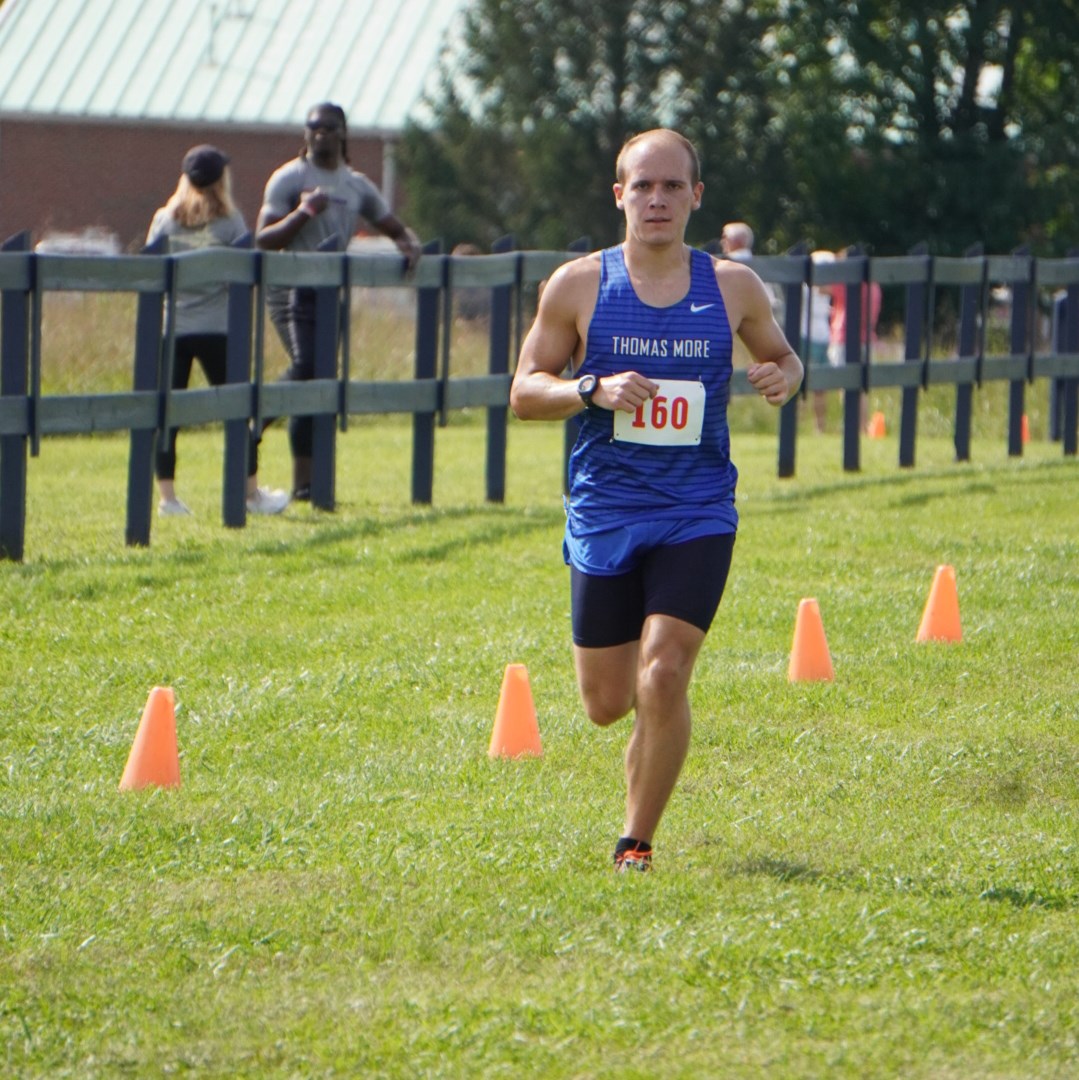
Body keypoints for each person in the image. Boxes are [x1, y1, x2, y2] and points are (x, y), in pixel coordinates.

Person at [510, 129, 803, 872]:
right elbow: (523, 391)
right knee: (607, 702)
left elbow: (781, 355)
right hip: (605, 511)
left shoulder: (731, 286)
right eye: (642, 186)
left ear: (695, 197)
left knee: (665, 669)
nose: (657, 199)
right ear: (619, 197)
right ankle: (637, 783)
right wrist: (590, 389)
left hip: (696, 510)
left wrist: (783, 377)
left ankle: (634, 842)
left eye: (673, 186)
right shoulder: (576, 285)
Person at [255, 103, 423, 501]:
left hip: (331, 294)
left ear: (343, 133)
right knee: (307, 367)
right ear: (305, 134)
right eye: (314, 127)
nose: (321, 134)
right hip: (290, 289)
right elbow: (263, 239)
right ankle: (256, 417)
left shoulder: (357, 185)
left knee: (319, 382)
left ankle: (305, 483)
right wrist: (303, 213)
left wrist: (408, 244)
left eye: (329, 128)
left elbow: (393, 225)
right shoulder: (290, 178)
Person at [147, 145, 290, 517]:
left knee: (166, 414)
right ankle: (250, 493)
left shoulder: (164, 219)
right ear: (220, 180)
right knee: (237, 409)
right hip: (218, 328)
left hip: (171, 328)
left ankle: (167, 499)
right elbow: (244, 273)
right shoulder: (230, 222)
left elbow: (151, 268)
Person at [825, 246, 882, 433]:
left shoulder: (846, 282)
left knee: (846, 386)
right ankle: (863, 426)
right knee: (860, 386)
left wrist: (828, 263)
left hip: (843, 338)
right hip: (867, 339)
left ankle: (852, 427)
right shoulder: (874, 285)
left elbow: (820, 287)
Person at [803, 251, 835, 433]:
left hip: (823, 337)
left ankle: (819, 426)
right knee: (804, 385)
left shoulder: (816, 287)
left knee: (820, 387)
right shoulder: (812, 288)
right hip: (810, 337)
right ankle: (804, 424)